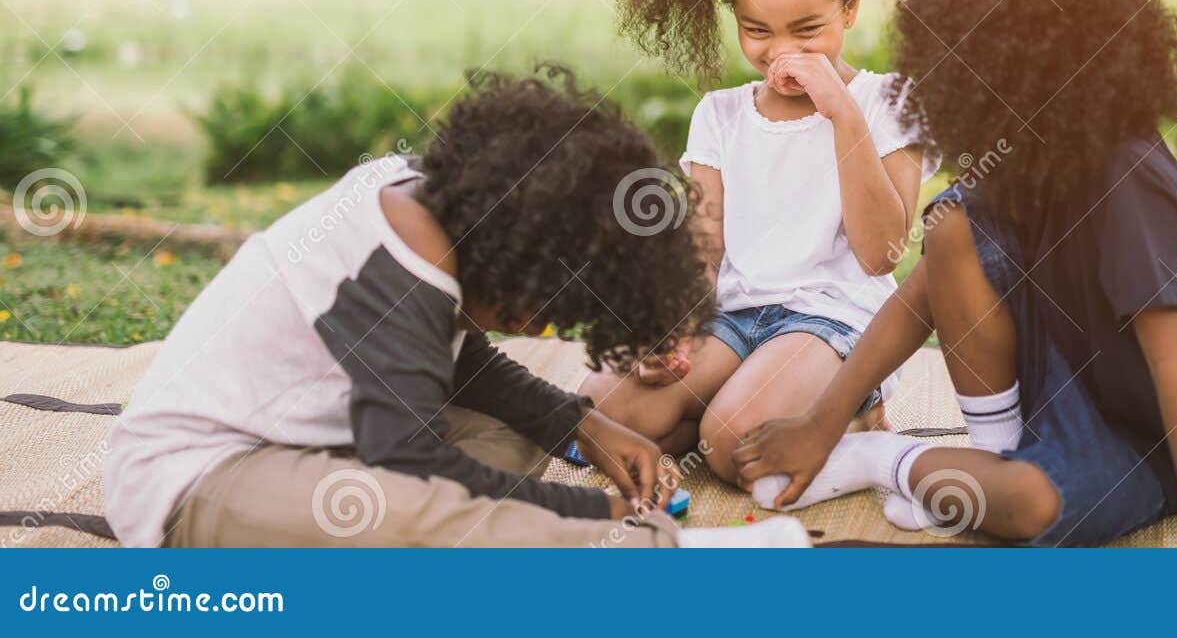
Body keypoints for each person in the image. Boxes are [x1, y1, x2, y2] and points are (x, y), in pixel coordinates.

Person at [105, 66, 808, 548]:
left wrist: (586, 427)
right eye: (545, 308)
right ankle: (664, 554)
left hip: (321, 436)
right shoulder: (401, 260)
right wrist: (602, 509)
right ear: (517, 252)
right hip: (201, 477)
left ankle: (525, 522)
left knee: (516, 434)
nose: (539, 326)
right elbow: (408, 461)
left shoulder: (425, 200)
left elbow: (462, 365)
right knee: (419, 510)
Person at [734, 0, 1177, 547]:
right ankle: (996, 450)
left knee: (1030, 506)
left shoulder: (1125, 178)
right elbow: (916, 297)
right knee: (953, 222)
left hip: (1148, 435)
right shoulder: (1031, 151)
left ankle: (883, 460)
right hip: (1069, 365)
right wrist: (819, 423)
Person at [581, 0, 938, 484]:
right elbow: (706, 251)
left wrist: (841, 111)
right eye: (757, 31)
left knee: (730, 444)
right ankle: (729, 396)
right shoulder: (720, 114)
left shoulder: (889, 102)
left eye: (808, 29)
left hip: (833, 320)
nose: (783, 54)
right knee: (605, 413)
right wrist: (672, 327)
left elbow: (882, 251)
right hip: (739, 313)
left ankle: (859, 413)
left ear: (851, 6)